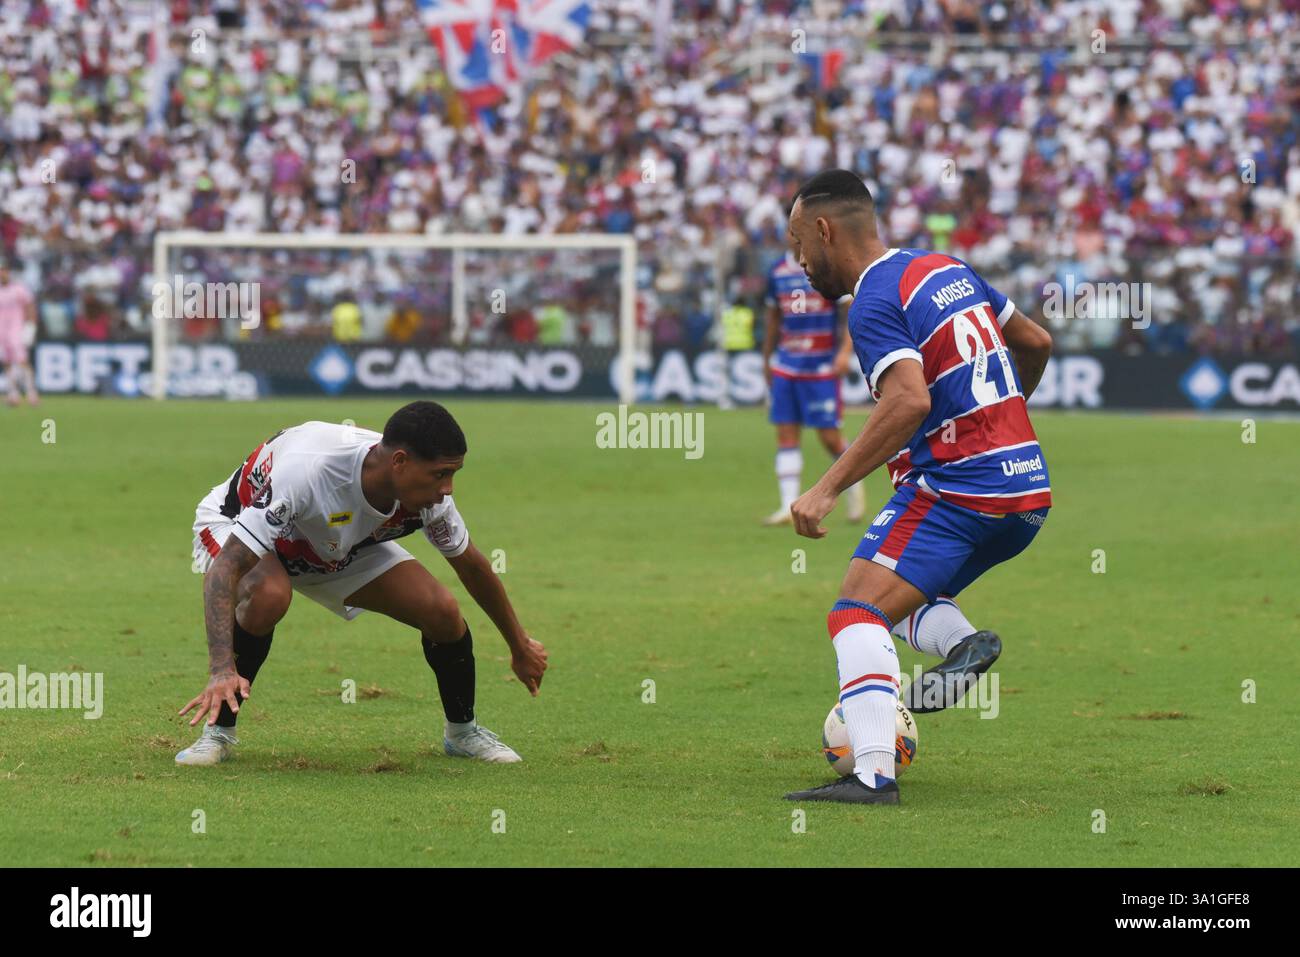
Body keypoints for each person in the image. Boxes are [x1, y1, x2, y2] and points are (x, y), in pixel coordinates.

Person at [781, 170, 1054, 804]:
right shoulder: (945, 267)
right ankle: (959, 643)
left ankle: (873, 773)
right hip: (1026, 491)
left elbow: (907, 400)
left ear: (824, 231)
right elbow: (1036, 341)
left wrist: (825, 488)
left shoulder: (874, 299)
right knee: (901, 601)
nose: (799, 261)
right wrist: (1003, 419)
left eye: (799, 243)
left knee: (856, 610)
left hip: (962, 488)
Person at [178, 401, 548, 766]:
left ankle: (463, 733)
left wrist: (519, 645)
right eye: (440, 474)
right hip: (237, 526)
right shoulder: (309, 473)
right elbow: (224, 571)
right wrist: (221, 669)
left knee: (442, 611)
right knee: (270, 595)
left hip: (334, 542)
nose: (448, 488)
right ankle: (218, 734)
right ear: (399, 462)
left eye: (454, 473)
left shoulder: (429, 498)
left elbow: (473, 568)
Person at [761, 240, 865, 525]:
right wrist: (766, 359)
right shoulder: (777, 271)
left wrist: (845, 352)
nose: (794, 237)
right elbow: (772, 319)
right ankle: (787, 506)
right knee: (786, 435)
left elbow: (851, 309)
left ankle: (854, 488)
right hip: (786, 366)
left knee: (829, 438)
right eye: (790, 230)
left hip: (820, 369)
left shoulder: (824, 269)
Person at [0, 263, 39, 406]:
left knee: (22, 361)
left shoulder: (18, 289)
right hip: (1, 333)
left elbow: (30, 306)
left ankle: (31, 393)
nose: (2, 274)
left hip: (16, 330)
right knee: (7, 362)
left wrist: (31, 326)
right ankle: (13, 394)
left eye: (4, 271)